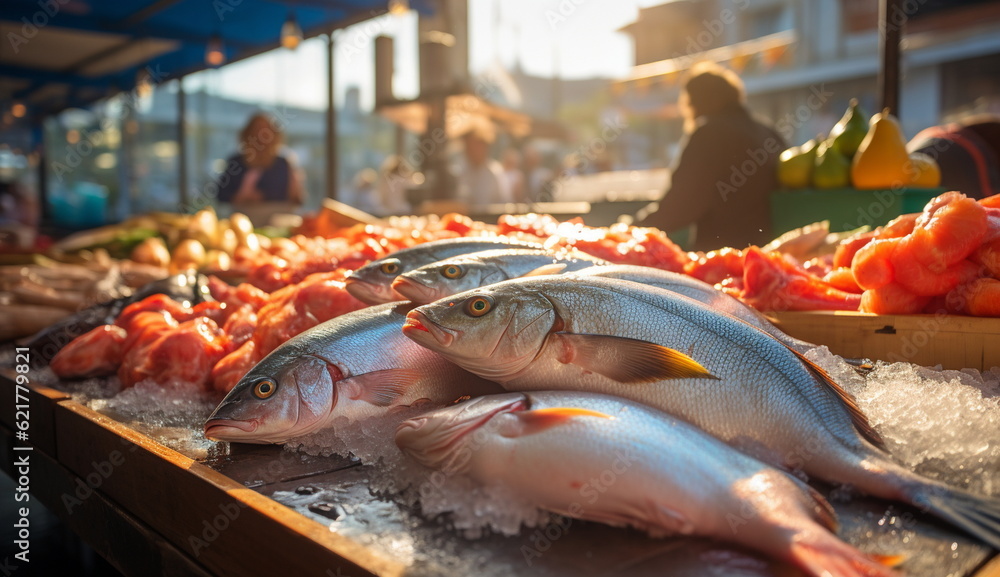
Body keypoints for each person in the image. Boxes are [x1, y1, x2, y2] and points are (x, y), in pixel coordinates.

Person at [639, 63, 784, 251]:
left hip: (720, 257)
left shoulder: (708, 133)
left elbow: (682, 203)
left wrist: (634, 228)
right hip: (766, 254)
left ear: (694, 102)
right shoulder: (768, 132)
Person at [218, 113, 304, 226]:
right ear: (247, 135)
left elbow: (297, 200)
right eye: (256, 131)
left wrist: (296, 189)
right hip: (246, 221)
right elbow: (220, 196)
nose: (262, 138)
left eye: (266, 133)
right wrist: (241, 197)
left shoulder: (284, 163)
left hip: (279, 224)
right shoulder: (236, 163)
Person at [458, 124, 511, 206]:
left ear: (485, 146)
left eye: (475, 145)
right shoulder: (457, 171)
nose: (471, 150)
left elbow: (504, 203)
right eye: (468, 146)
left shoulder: (495, 172)